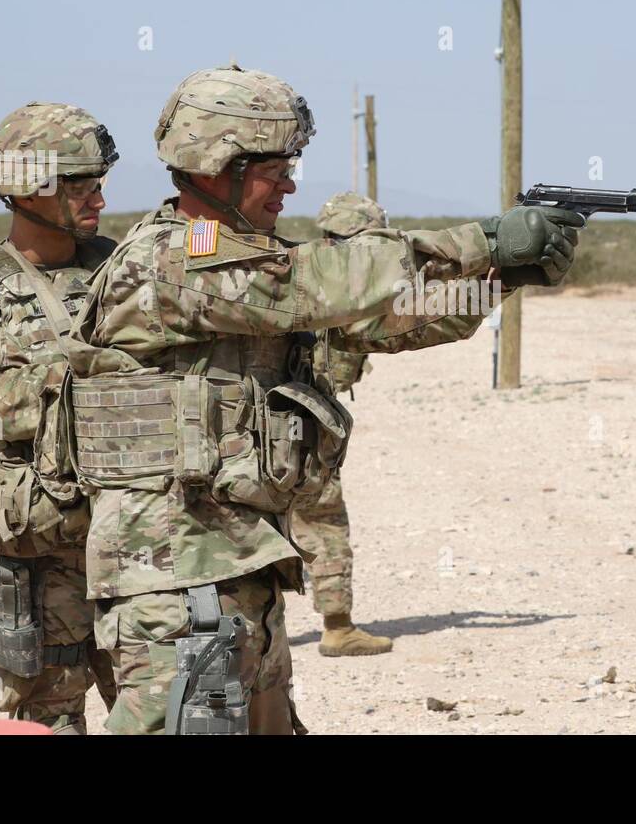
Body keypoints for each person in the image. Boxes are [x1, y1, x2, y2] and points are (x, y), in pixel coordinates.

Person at [67, 63, 583, 734]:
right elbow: (324, 281)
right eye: (271, 167)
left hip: (246, 559)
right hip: (171, 573)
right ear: (214, 163)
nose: (289, 183)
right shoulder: (169, 258)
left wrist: (502, 276)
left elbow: (391, 316)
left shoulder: (256, 259)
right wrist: (483, 237)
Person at [0, 103, 120, 733]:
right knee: (48, 719)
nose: (98, 198)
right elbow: (2, 403)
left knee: (175, 707)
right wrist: (117, 378)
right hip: (46, 543)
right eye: (78, 183)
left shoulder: (121, 271)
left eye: (99, 180)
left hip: (140, 531)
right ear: (28, 188)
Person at [295, 191, 393, 656]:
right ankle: (337, 627)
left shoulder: (296, 270)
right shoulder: (353, 291)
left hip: (252, 425)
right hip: (308, 429)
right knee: (324, 523)